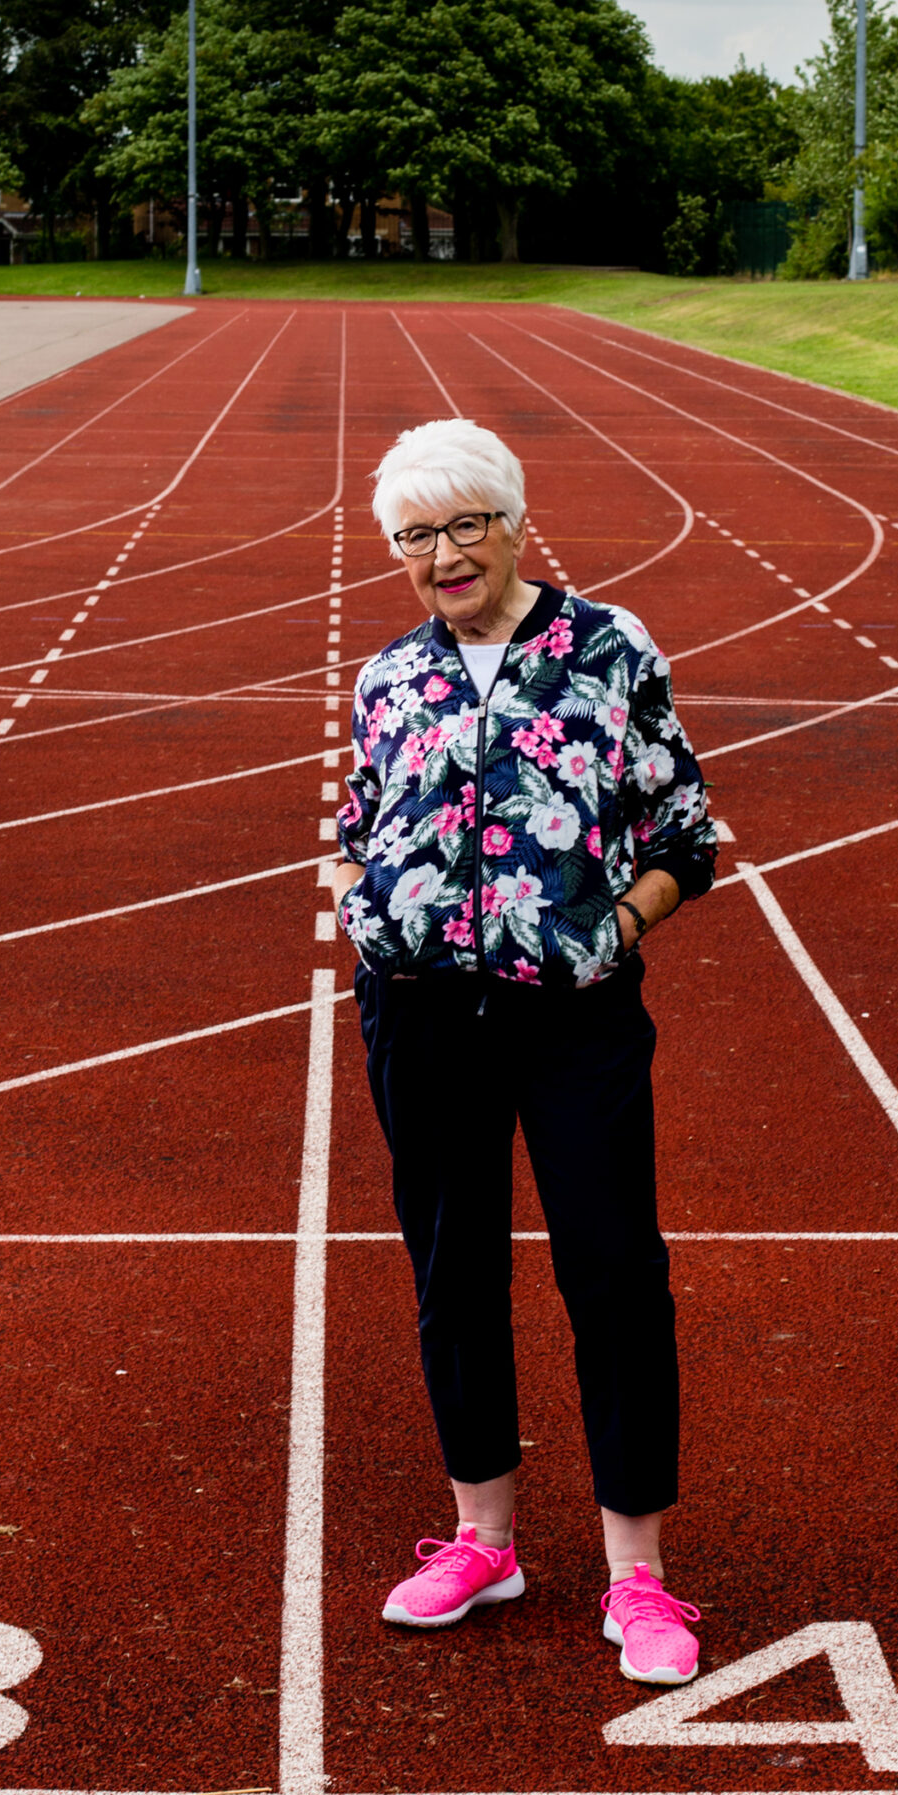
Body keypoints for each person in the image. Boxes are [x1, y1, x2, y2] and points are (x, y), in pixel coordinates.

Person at [328, 416, 717, 1687]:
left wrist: (612, 926)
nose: (444, 555)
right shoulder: (389, 675)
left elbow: (686, 831)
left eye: (465, 525)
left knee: (614, 1271)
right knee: (454, 1271)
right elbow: (354, 820)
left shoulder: (608, 649)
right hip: (421, 1008)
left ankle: (638, 1573)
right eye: (416, 535)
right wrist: (361, 902)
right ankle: (484, 1538)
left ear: (513, 521)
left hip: (572, 1015)